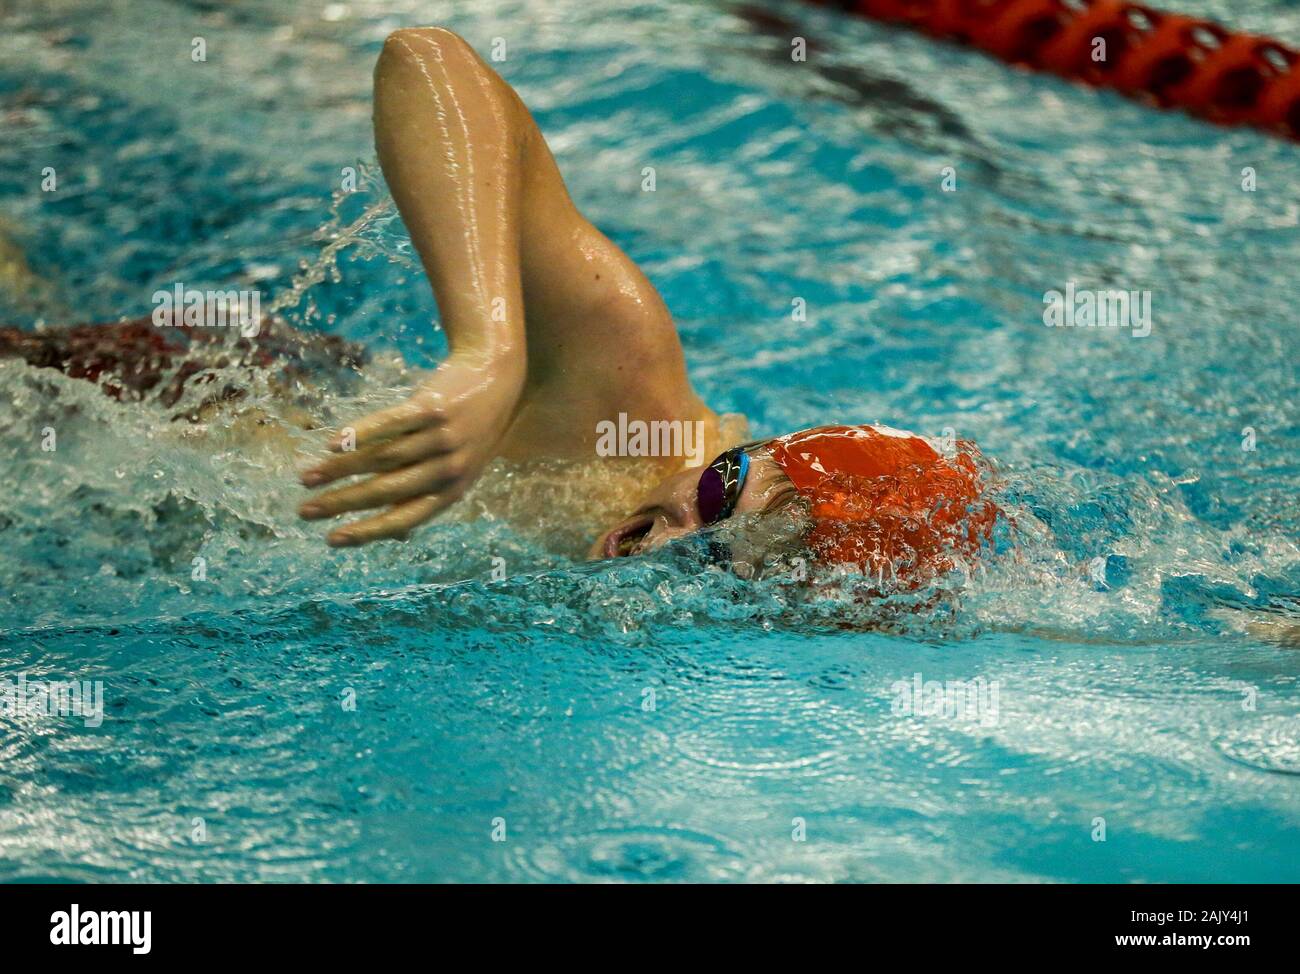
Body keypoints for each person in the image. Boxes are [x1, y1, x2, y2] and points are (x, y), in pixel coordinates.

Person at [2, 27, 998, 585]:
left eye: (730, 573)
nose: (677, 538)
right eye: (721, 488)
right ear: (739, 447)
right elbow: (431, 61)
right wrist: (490, 347)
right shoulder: (628, 391)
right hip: (175, 389)